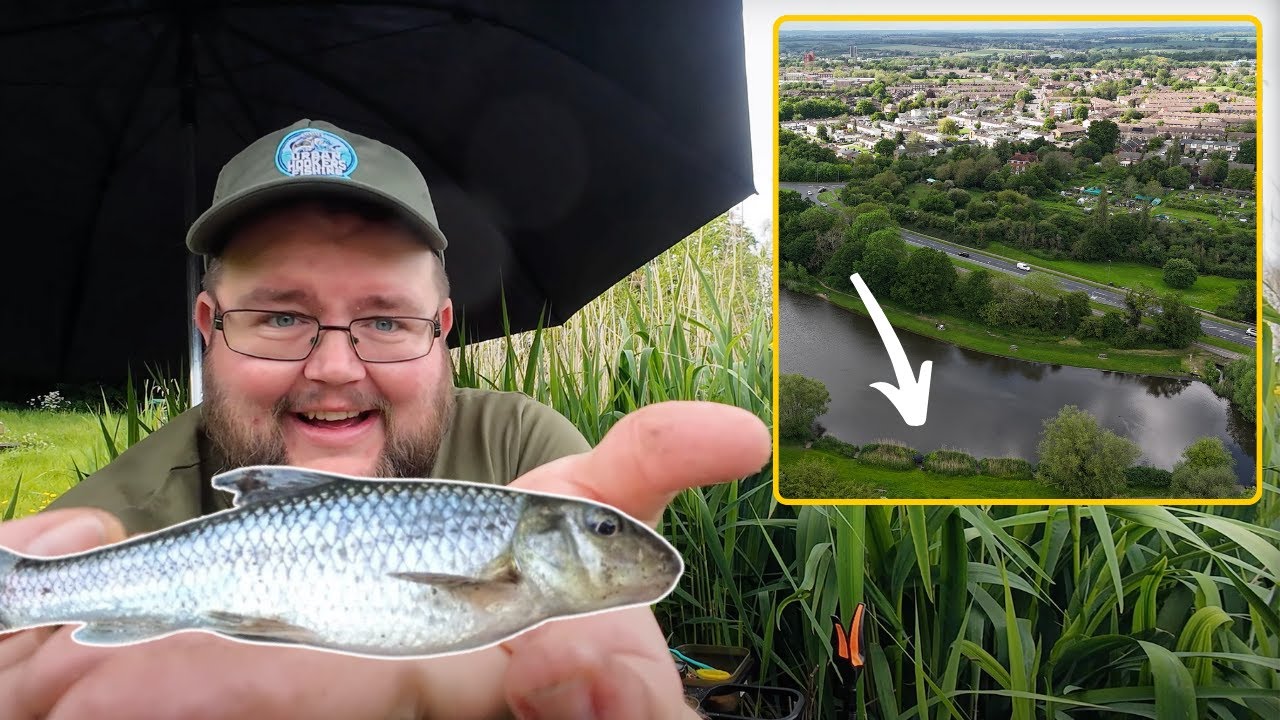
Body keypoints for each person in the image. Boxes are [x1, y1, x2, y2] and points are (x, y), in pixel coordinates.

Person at [2, 119, 771, 719]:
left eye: (386, 322)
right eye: (277, 317)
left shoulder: (525, 452)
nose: (335, 368)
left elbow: (615, 672)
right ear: (209, 329)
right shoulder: (104, 525)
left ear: (440, 330)